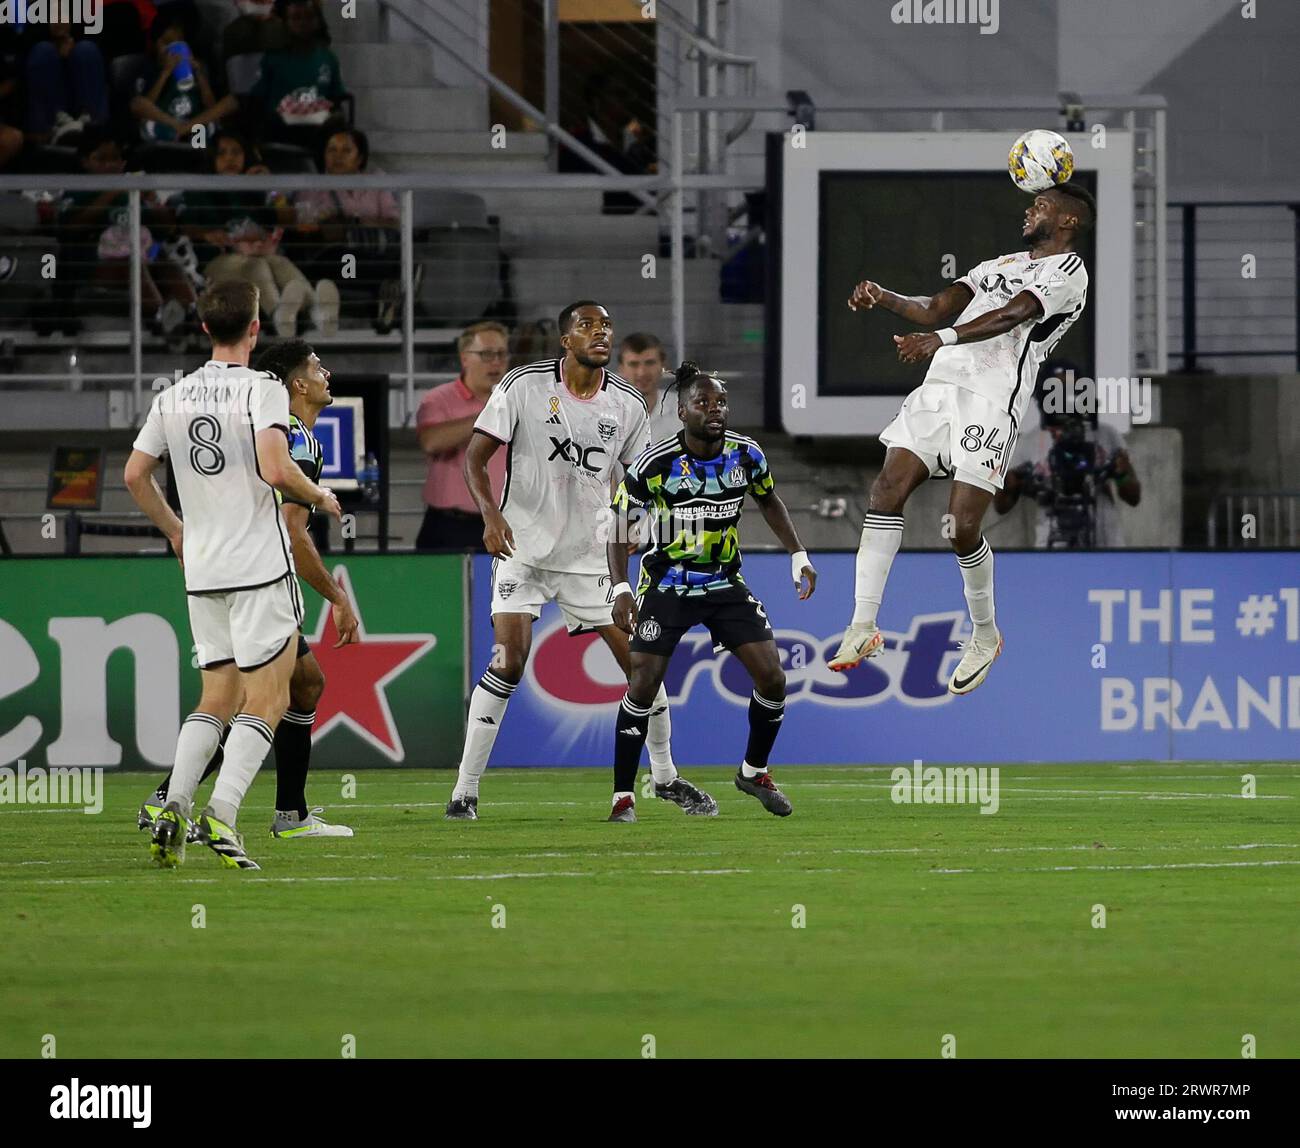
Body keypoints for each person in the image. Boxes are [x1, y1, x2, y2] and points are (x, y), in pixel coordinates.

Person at [445, 300, 714, 821]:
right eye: (587, 325)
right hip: (522, 550)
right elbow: (475, 456)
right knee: (508, 662)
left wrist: (636, 524)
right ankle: (464, 791)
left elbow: (639, 480)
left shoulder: (628, 405)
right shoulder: (522, 386)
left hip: (592, 558)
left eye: (606, 325)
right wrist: (490, 516)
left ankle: (665, 778)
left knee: (643, 666)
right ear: (565, 340)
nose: (600, 333)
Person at [828, 183, 1094, 694]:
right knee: (886, 490)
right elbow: (933, 307)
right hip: (938, 390)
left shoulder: (1069, 271)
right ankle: (863, 626)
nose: (1028, 209)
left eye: (1040, 205)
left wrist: (941, 338)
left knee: (961, 528)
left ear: (1066, 222)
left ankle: (985, 633)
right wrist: (884, 296)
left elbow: (1015, 315)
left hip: (990, 401)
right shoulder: (997, 263)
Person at [123, 280, 342, 870]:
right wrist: (319, 494)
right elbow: (275, 468)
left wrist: (174, 529)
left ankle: (174, 803)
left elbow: (134, 474)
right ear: (254, 328)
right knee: (267, 700)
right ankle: (221, 815)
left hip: (204, 568)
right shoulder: (263, 389)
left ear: (203, 328)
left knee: (215, 697)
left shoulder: (173, 395)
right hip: (259, 565)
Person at [607, 362, 816, 821]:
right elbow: (619, 525)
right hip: (667, 585)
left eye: (720, 401)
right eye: (702, 402)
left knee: (773, 678)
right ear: (682, 412)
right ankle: (623, 796)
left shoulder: (747, 455)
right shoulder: (654, 464)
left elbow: (768, 499)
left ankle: (753, 771)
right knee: (642, 684)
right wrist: (622, 586)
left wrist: (798, 553)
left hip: (724, 583)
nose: (714, 409)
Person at [179, 132, 338, 335]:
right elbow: (184, 226)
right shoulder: (198, 190)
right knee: (258, 265)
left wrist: (271, 188)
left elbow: (287, 218)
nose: (230, 159)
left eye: (236, 153)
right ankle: (278, 313)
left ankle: (315, 310)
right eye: (222, 153)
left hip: (257, 254)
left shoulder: (252, 188)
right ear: (212, 158)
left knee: (279, 261)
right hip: (217, 261)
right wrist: (208, 235)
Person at [59, 130, 196, 335]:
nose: (110, 165)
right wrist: (112, 191)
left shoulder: (133, 191)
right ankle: (161, 317)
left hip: (143, 258)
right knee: (131, 265)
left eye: (115, 159)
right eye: (101, 159)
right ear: (85, 162)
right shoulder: (78, 190)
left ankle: (191, 313)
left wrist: (153, 200)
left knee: (168, 264)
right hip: (96, 264)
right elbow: (70, 227)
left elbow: (166, 230)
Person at [994, 360, 1141, 548]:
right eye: (1056, 390)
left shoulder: (1105, 435)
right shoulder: (1029, 442)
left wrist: (1121, 474)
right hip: (1053, 545)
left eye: (1071, 389)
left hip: (1104, 544)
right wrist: (1012, 485)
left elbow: (1133, 497)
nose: (1064, 396)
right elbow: (1001, 506)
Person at [290, 128, 403, 332]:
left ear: (359, 158)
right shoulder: (312, 186)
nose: (337, 156)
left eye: (346, 150)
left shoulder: (376, 179)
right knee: (349, 259)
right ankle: (390, 287)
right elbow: (305, 225)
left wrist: (354, 222)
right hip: (335, 258)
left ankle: (389, 291)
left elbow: (394, 222)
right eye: (332, 150)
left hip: (373, 252)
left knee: (396, 254)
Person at [414, 321, 510, 551]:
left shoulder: (516, 402)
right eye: (487, 355)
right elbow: (431, 441)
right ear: (465, 358)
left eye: (502, 354)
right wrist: (488, 414)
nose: (496, 362)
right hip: (451, 527)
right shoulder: (438, 399)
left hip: (506, 524)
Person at [247, 0, 347, 152]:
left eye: (309, 17)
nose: (303, 23)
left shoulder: (328, 58)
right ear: (286, 23)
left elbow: (336, 98)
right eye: (296, 18)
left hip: (318, 126)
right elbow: (257, 98)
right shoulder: (273, 58)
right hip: (281, 126)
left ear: (318, 21)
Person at [129, 11, 238, 142]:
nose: (172, 48)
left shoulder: (198, 67)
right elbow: (143, 106)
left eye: (180, 41)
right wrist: (165, 73)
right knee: (137, 103)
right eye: (166, 42)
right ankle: (180, 130)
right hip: (165, 125)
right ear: (155, 44)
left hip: (196, 126)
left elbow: (211, 105)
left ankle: (186, 130)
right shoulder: (149, 69)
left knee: (231, 102)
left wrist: (199, 74)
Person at [23, 23, 109, 145]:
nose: (59, 20)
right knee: (43, 52)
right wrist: (56, 51)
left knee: (87, 50)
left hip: (80, 93)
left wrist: (71, 53)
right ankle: (52, 128)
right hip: (48, 110)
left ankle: (93, 124)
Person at [617, 332, 678, 444]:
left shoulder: (685, 411)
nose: (642, 373)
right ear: (621, 369)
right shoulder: (605, 413)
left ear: (663, 366)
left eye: (649, 363)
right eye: (633, 364)